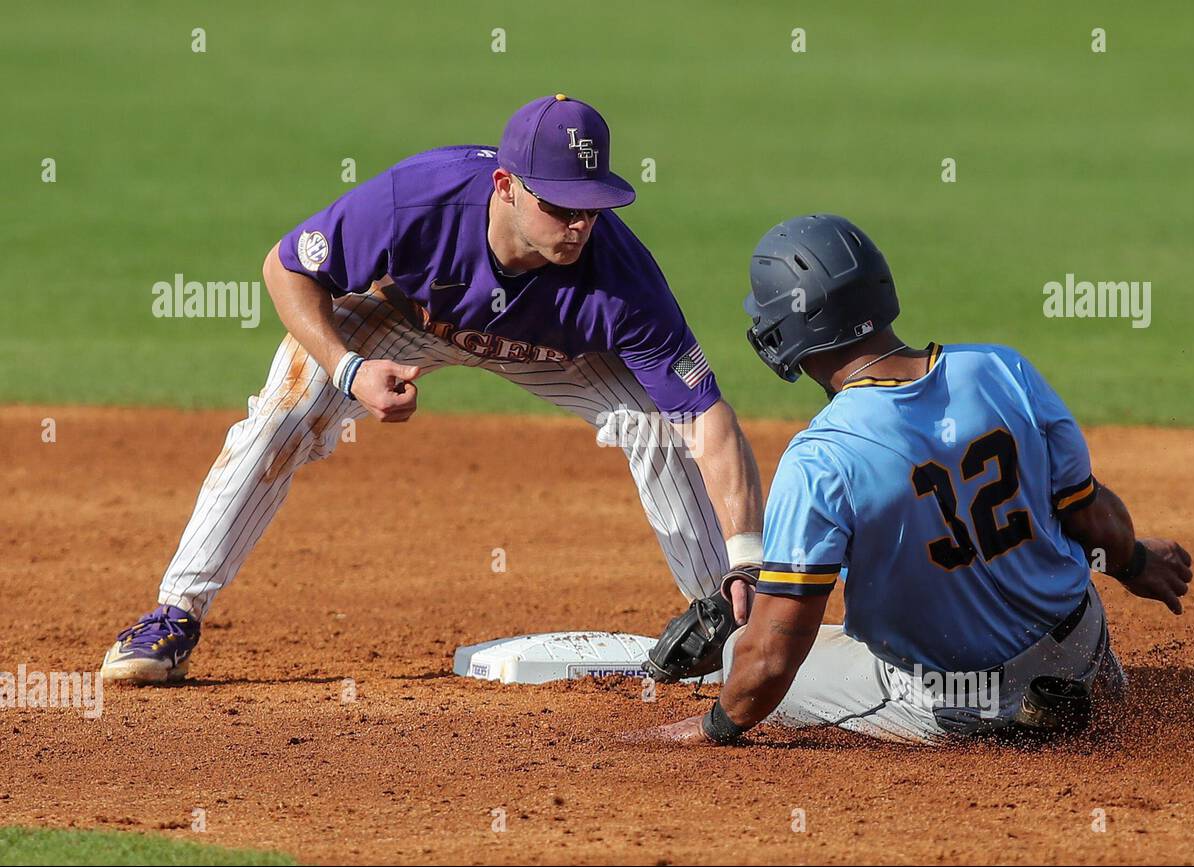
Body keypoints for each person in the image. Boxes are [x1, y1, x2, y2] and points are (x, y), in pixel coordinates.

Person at [103, 94, 763, 684]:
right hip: (409, 317)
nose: (579, 225)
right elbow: (285, 269)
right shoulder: (416, 201)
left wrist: (745, 556)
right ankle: (175, 615)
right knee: (285, 412)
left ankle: (728, 625)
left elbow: (707, 421)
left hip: (553, 350)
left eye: (592, 207)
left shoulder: (624, 281)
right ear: (505, 185)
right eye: (559, 205)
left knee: (653, 422)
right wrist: (349, 368)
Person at [638, 214, 1193, 746]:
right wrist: (1137, 563)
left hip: (954, 696)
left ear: (787, 329)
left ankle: (999, 719)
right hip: (1079, 648)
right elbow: (1092, 517)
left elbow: (773, 656)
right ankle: (1076, 687)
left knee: (740, 654)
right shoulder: (1002, 369)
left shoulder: (821, 458)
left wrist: (714, 725)